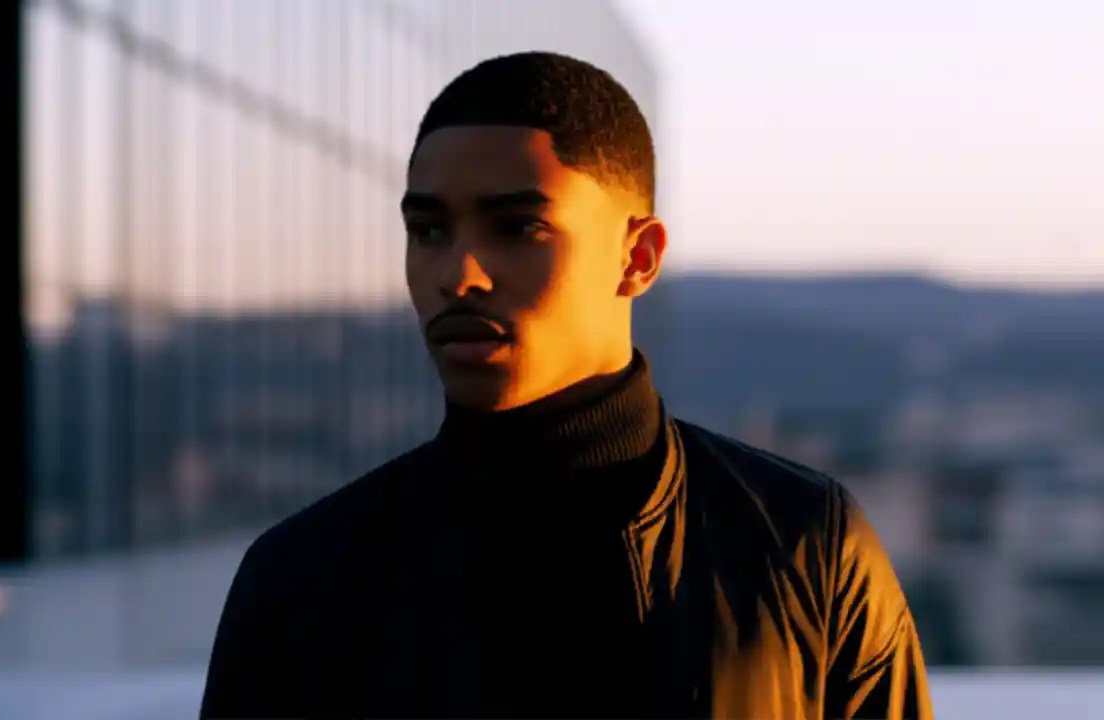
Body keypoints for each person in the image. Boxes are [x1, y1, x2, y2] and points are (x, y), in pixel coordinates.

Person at [200, 51, 933, 719]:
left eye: (517, 228)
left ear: (638, 258)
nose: (458, 274)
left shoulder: (806, 549)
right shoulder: (303, 581)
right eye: (428, 231)